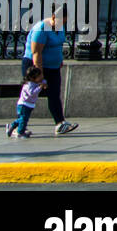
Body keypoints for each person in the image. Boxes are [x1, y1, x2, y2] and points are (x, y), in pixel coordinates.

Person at [21, 7, 77, 135]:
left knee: (54, 94)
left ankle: (60, 123)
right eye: (60, 22)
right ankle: (19, 125)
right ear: (53, 18)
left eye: (64, 22)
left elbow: (58, 45)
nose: (62, 25)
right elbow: (36, 53)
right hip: (35, 66)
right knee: (29, 96)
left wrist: (59, 60)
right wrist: (39, 75)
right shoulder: (41, 29)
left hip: (53, 67)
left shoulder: (59, 27)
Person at [5, 66, 47, 139]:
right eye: (39, 76)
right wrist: (40, 87)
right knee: (23, 119)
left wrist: (44, 83)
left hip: (29, 104)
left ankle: (12, 126)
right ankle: (20, 132)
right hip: (23, 104)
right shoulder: (29, 84)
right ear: (32, 78)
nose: (41, 77)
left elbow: (44, 82)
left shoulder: (37, 82)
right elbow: (32, 93)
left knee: (23, 118)